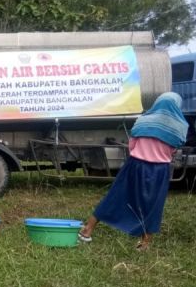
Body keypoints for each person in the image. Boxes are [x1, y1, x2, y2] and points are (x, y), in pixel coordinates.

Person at [77, 92, 189, 250]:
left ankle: (87, 231)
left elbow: (132, 146)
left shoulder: (143, 120)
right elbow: (173, 150)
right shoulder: (180, 126)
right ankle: (144, 244)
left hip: (134, 165)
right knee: (153, 206)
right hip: (159, 171)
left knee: (115, 197)